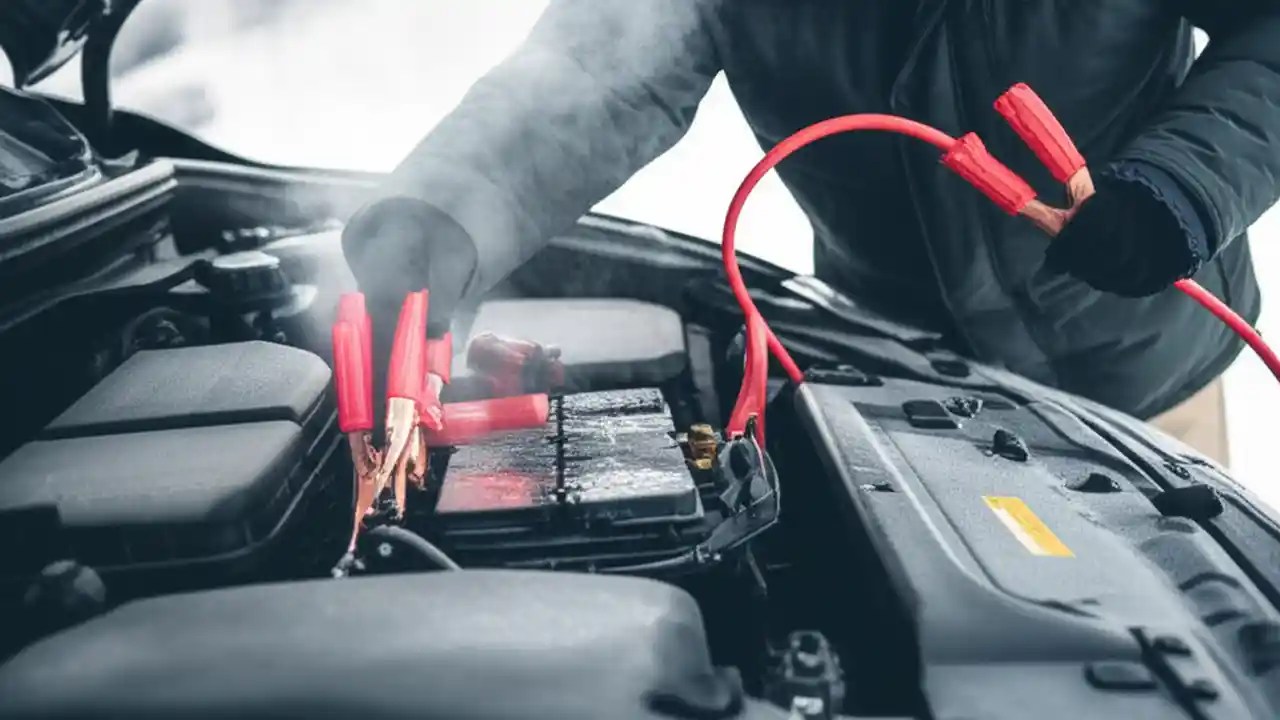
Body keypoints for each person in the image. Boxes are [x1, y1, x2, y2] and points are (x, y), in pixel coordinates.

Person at [342, 1, 1280, 465]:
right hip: (897, 378)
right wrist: (443, 215)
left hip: (1144, 375)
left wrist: (1183, 183)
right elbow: (602, 74)